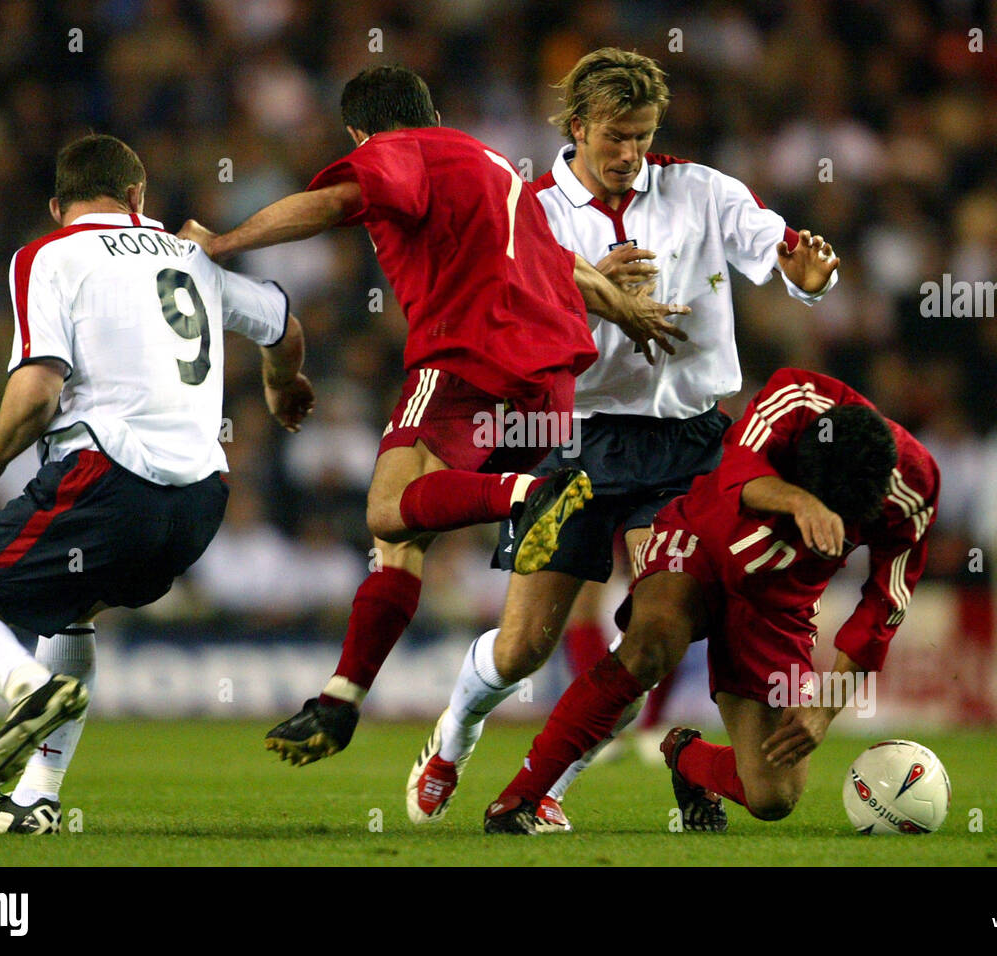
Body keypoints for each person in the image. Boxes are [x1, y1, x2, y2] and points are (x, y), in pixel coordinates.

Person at [179, 64, 691, 767]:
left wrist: (223, 244)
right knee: (407, 534)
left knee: (388, 512)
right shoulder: (491, 168)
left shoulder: (400, 149)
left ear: (361, 131)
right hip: (548, 394)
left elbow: (331, 203)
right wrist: (622, 304)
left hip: (466, 363)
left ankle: (527, 496)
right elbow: (560, 264)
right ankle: (340, 700)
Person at [405, 48, 840, 832]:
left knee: (654, 636)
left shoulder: (701, 191)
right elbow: (503, 338)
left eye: (641, 136)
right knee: (523, 646)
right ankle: (453, 737)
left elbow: (778, 246)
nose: (629, 154)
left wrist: (809, 274)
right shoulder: (531, 214)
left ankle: (547, 792)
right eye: (614, 136)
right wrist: (591, 295)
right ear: (577, 127)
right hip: (575, 442)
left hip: (688, 448)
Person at [0, 133, 312, 833]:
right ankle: (36, 799)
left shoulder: (47, 254)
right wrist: (283, 390)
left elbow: (37, 387)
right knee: (75, 611)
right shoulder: (194, 254)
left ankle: (28, 690)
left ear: (58, 205)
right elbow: (283, 324)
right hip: (200, 504)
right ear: (137, 196)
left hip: (107, 480)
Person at [480, 368, 940, 834]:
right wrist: (799, 503)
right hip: (701, 539)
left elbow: (883, 610)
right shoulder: (797, 395)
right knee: (650, 644)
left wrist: (825, 709)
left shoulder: (916, 489)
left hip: (777, 608)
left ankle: (684, 756)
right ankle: (522, 797)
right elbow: (737, 467)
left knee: (773, 796)